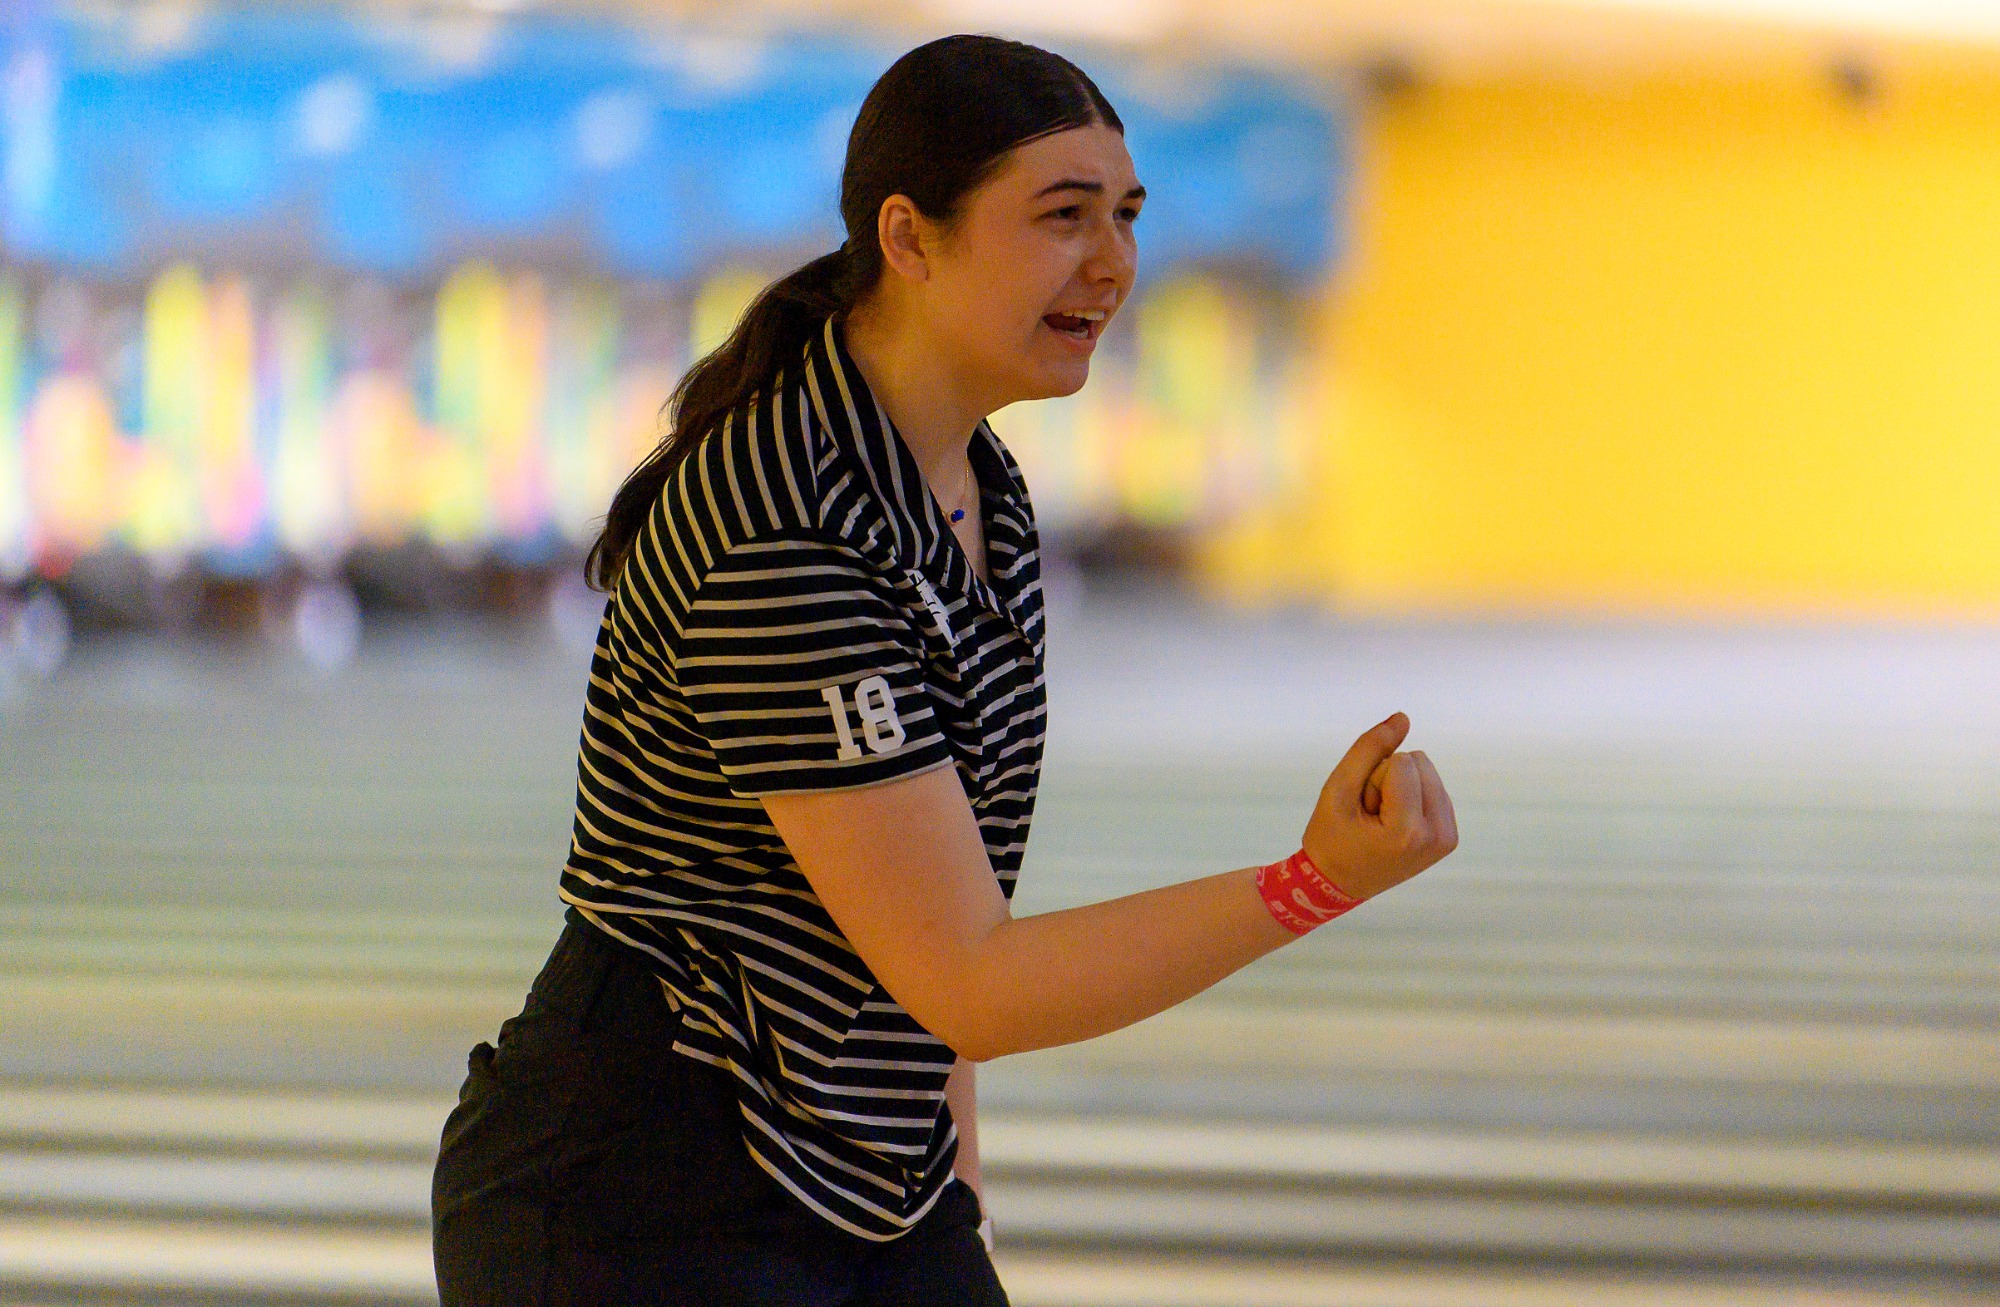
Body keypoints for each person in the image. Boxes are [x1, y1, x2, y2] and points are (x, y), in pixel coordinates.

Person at [431, 32, 1458, 1307]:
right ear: (910, 237)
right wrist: (1309, 884)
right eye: (1061, 216)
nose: (1114, 262)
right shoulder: (783, 526)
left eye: (1125, 216)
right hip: (639, 1196)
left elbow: (943, 887)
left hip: (861, 1181)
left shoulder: (983, 490)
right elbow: (966, 975)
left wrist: (948, 1202)